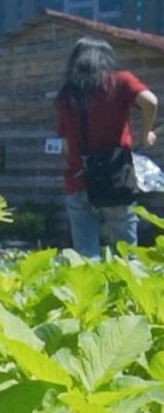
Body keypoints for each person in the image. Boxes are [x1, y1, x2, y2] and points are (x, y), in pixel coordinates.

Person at [56, 36, 158, 257]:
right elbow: (150, 102)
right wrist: (145, 135)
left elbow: (67, 147)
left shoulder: (67, 93)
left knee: (85, 255)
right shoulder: (120, 81)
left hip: (79, 179)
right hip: (116, 178)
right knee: (125, 252)